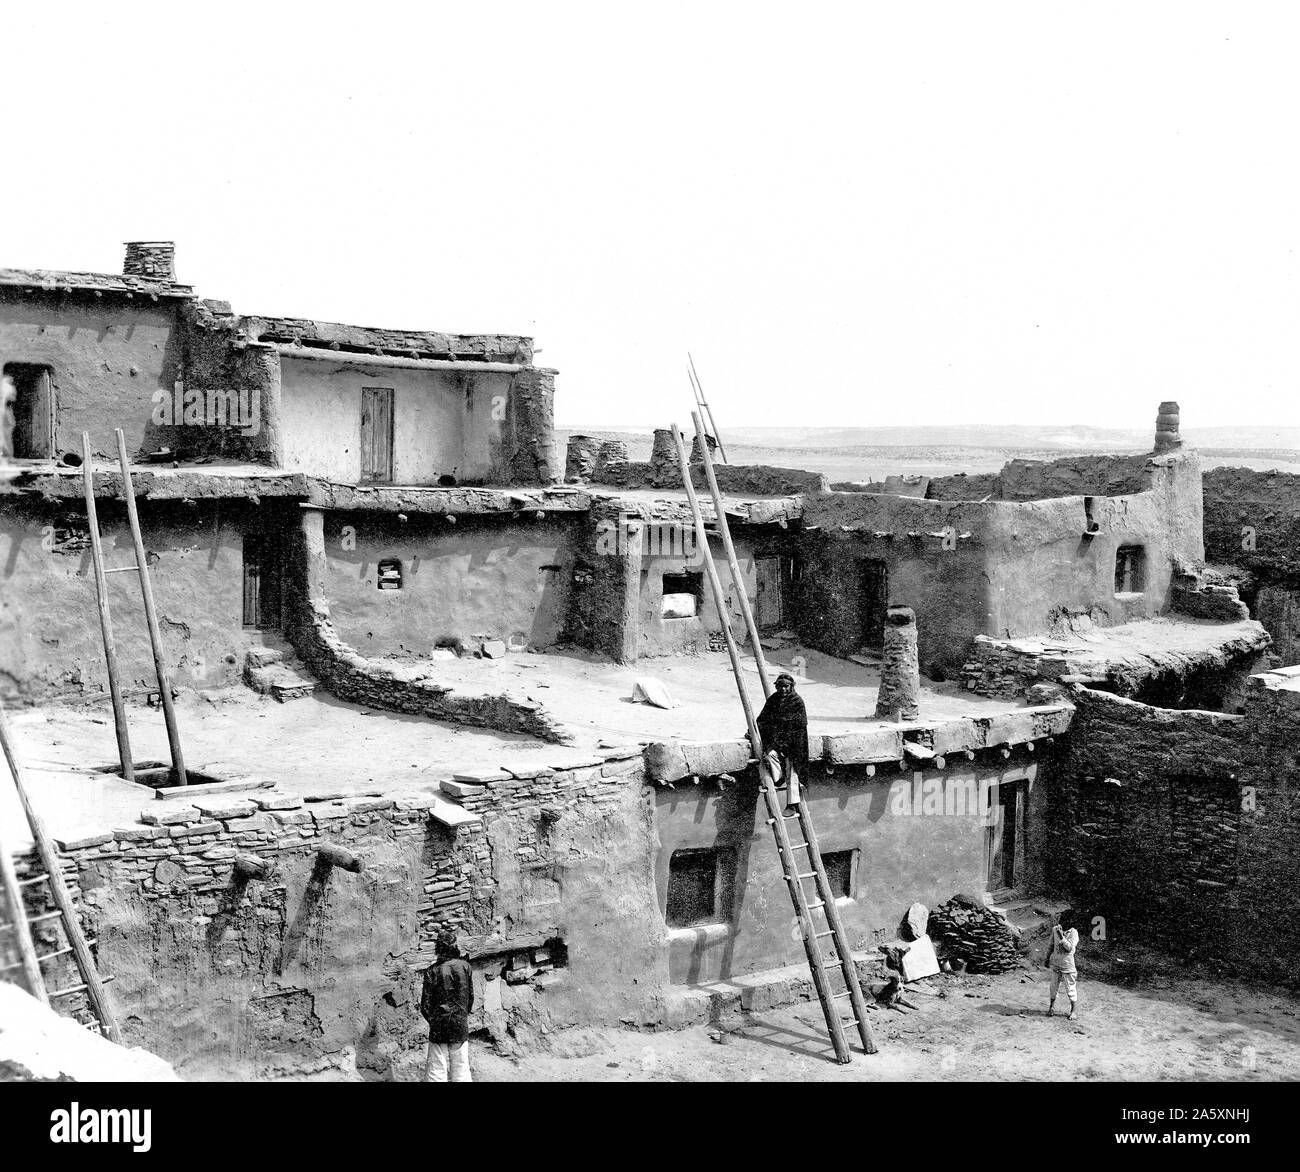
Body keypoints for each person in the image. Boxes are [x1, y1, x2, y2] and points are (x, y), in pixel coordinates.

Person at [420, 930, 475, 1082]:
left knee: (436, 1071)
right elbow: (470, 998)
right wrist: (461, 1016)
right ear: (455, 947)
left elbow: (425, 1006)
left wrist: (435, 1021)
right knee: (462, 1069)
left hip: (439, 1025)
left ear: (438, 948)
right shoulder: (465, 967)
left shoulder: (432, 971)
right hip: (459, 1023)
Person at [756, 672, 809, 812]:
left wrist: (785, 744)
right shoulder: (773, 699)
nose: (783, 689)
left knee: (792, 770)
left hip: (795, 742)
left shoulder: (797, 701)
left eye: (786, 686)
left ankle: (792, 804)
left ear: (791, 686)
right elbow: (763, 718)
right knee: (770, 754)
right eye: (779, 686)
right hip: (779, 740)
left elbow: (798, 725)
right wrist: (754, 730)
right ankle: (778, 779)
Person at [1044, 912, 1080, 1020]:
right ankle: (1051, 1007)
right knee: (1053, 987)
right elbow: (1051, 945)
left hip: (1067, 965)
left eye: (1065, 921)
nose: (1062, 923)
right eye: (1061, 920)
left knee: (1070, 989)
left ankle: (1073, 1011)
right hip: (1056, 964)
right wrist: (1047, 958)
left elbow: (1070, 949)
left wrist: (1061, 937)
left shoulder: (1073, 932)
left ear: (1070, 922)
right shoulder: (1055, 929)